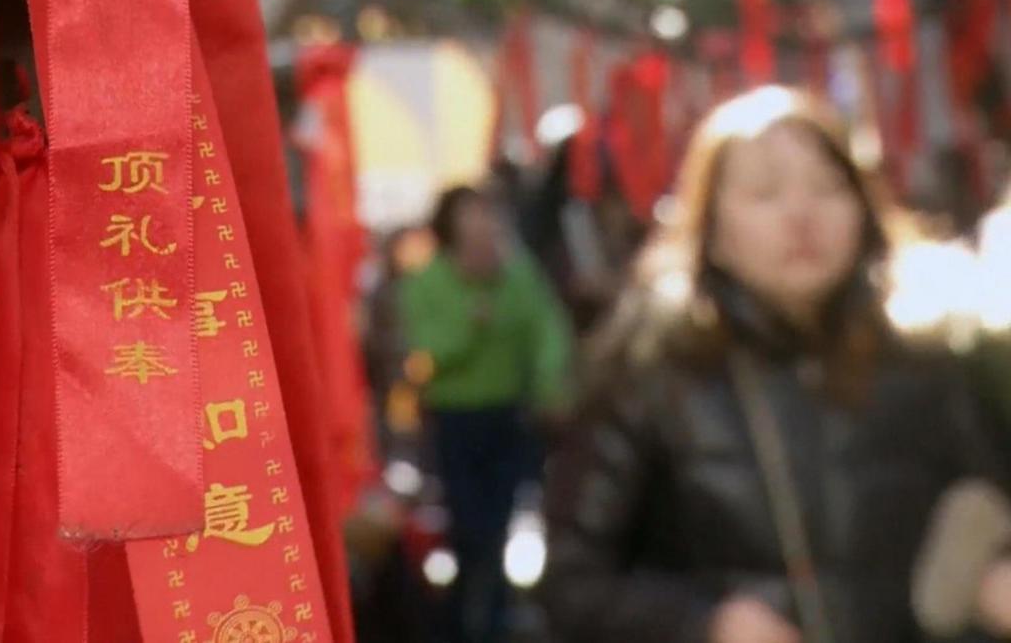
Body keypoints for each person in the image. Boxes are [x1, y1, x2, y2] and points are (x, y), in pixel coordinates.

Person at [541, 86, 1011, 643]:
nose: (801, 216)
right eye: (765, 194)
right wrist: (703, 623)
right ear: (711, 227)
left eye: (828, 188)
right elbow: (574, 583)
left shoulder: (938, 355)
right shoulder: (651, 371)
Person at [399, 185, 573, 643]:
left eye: (487, 215)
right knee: (468, 526)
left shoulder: (518, 275)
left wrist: (549, 384)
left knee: (499, 521)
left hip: (509, 415)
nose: (482, 226)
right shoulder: (428, 282)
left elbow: (547, 330)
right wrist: (470, 325)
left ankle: (493, 621)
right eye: (470, 217)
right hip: (455, 420)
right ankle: (459, 620)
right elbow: (423, 354)